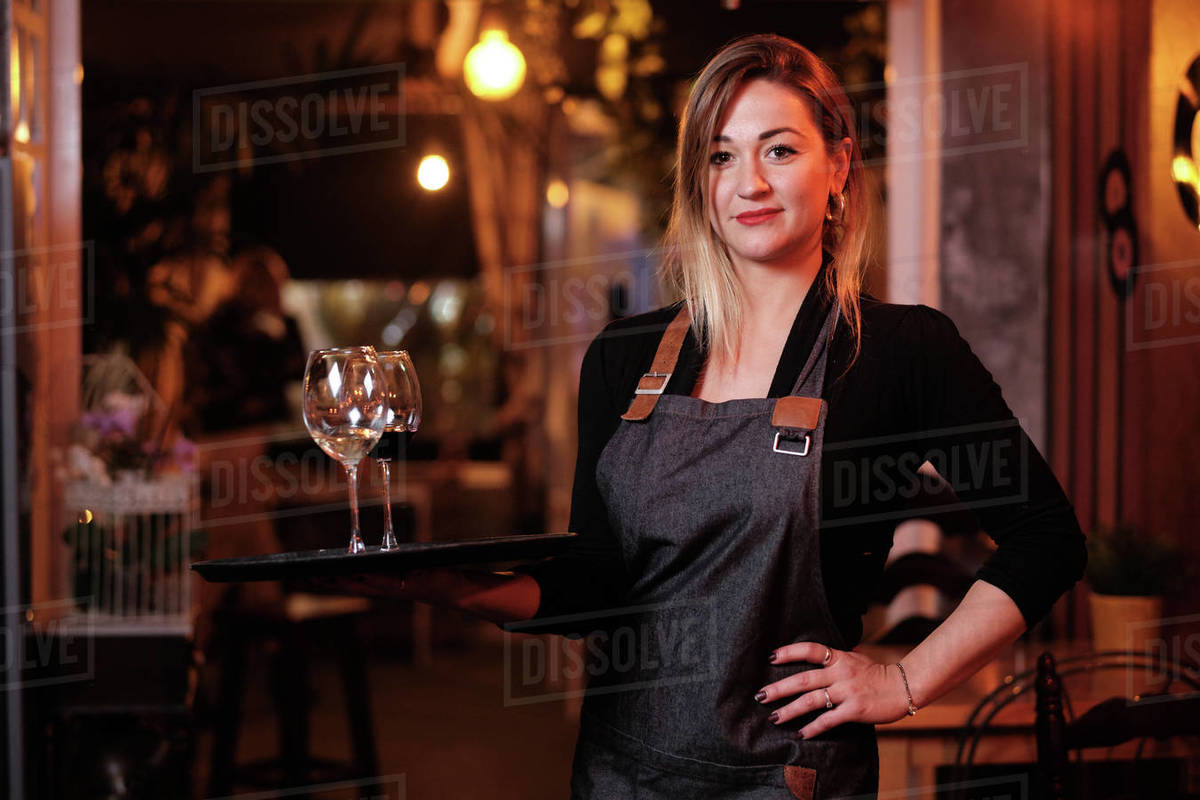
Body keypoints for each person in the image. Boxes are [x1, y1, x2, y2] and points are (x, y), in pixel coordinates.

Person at [336, 34, 1087, 799]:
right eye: (722, 157)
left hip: (788, 777)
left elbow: (1047, 538)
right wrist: (455, 590)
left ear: (839, 167)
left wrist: (906, 681)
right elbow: (598, 584)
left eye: (780, 150)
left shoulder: (898, 352)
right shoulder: (623, 357)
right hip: (620, 774)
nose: (748, 183)